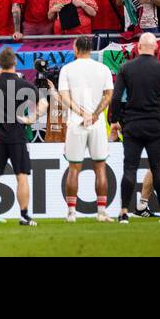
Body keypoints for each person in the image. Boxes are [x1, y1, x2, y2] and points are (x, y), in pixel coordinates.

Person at [109, 32, 160, 223]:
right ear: (156, 48)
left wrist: (113, 121)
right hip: (156, 124)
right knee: (158, 170)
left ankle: (123, 212)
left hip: (132, 124)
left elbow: (116, 98)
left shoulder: (126, 68)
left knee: (129, 169)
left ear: (139, 47)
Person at [0, 46, 46, 225]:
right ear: (15, 63)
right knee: (21, 176)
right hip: (17, 135)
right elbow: (44, 103)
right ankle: (24, 215)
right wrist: (30, 119)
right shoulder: (24, 84)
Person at [56, 36, 114, 222]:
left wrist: (82, 113)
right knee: (100, 167)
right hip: (96, 123)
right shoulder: (103, 68)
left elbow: (64, 97)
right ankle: (102, 212)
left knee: (74, 168)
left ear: (76, 49)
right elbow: (108, 95)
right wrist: (95, 114)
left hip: (76, 122)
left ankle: (71, 213)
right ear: (90, 49)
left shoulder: (67, 69)